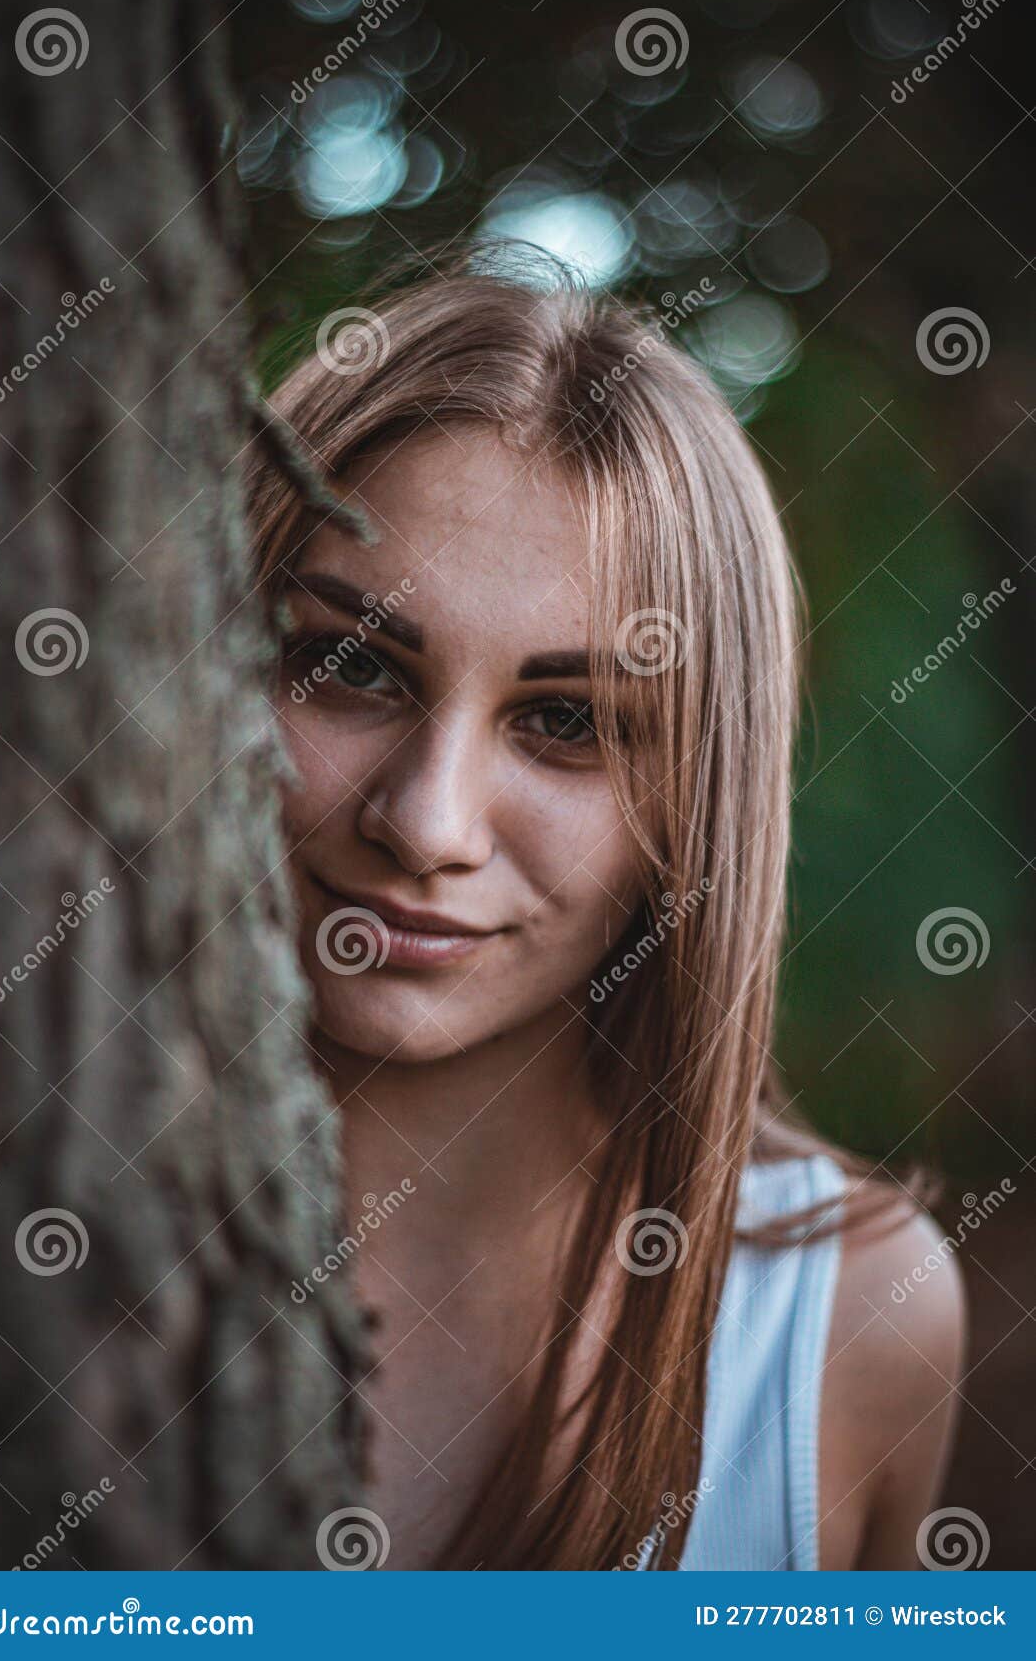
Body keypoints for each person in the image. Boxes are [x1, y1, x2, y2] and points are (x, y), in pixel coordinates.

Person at [245, 248, 966, 1571]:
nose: (429, 821)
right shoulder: (28, 1220)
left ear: (700, 800)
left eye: (567, 721)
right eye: (351, 667)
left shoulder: (846, 1315)